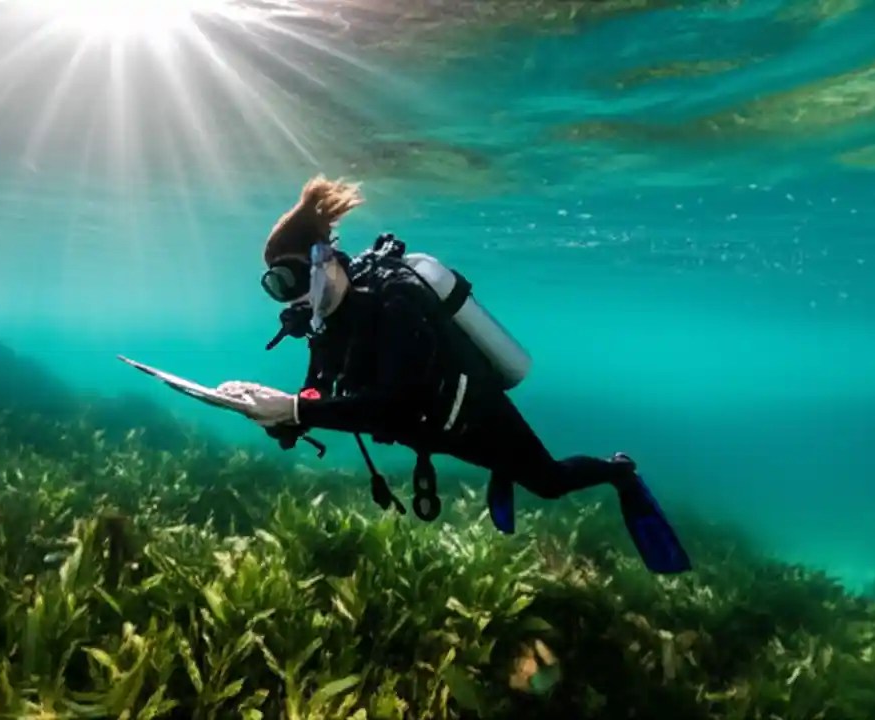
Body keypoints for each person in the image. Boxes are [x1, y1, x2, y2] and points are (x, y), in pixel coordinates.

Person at [238, 175, 691, 575]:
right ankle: (503, 466)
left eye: (288, 279)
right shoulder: (327, 325)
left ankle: (620, 473)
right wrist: (287, 419)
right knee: (505, 463)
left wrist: (298, 409)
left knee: (549, 482)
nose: (285, 298)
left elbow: (394, 404)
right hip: (430, 431)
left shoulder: (395, 300)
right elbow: (320, 386)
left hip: (475, 415)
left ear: (323, 260)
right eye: (273, 286)